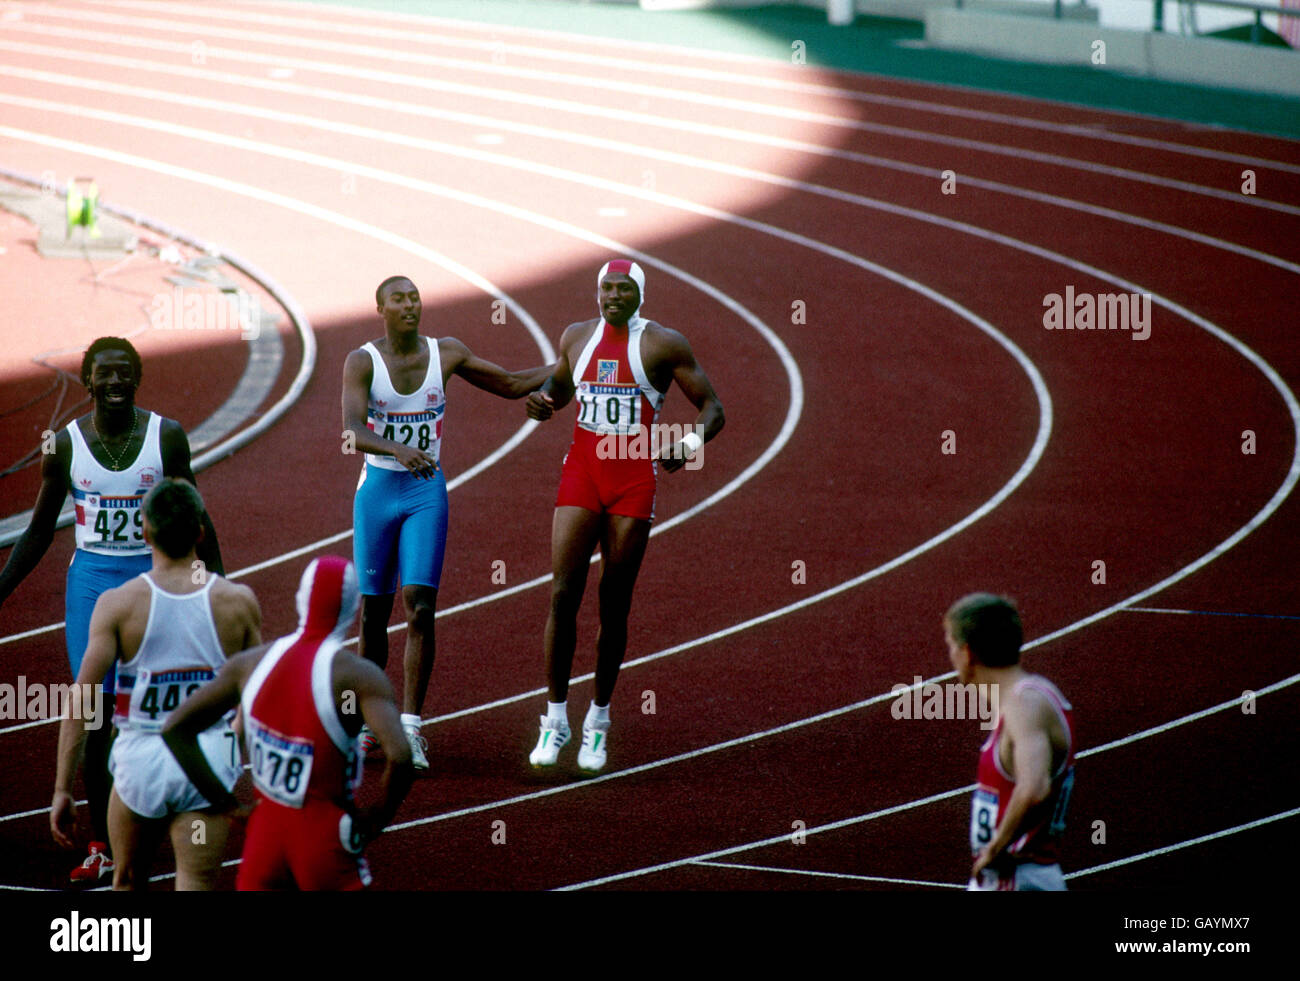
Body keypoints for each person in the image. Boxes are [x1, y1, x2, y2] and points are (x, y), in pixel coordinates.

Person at [2, 336, 223, 882]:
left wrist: (215, 585)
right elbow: (38, 529)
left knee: (155, 703)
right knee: (97, 715)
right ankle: (101, 842)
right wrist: (2, 586)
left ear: (138, 378)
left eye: (125, 372)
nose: (116, 381)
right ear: (88, 382)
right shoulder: (65, 445)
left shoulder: (166, 436)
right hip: (93, 586)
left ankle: (162, 810)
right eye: (106, 373)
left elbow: (197, 515)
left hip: (152, 581)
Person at [341, 275, 551, 771]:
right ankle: (373, 725)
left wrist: (571, 364)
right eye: (399, 299)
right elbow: (350, 433)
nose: (410, 306)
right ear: (380, 308)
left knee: (419, 607)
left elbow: (511, 383)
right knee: (373, 614)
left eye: (415, 298)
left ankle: (410, 728)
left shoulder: (447, 353)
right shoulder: (362, 361)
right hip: (376, 493)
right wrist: (398, 449)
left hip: (424, 493)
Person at [524, 260, 724, 772]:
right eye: (606, 288)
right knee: (562, 593)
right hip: (583, 472)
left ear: (639, 294)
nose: (613, 296)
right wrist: (545, 401)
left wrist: (689, 443)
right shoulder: (576, 336)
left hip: (632, 478)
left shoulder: (662, 344)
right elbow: (562, 387)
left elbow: (713, 409)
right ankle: (554, 719)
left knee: (613, 603)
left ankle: (598, 722)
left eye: (623, 289)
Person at [49, 478, 258, 890]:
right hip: (207, 762)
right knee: (195, 880)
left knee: (127, 879)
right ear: (200, 531)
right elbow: (256, 699)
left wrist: (62, 788)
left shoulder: (119, 605)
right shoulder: (238, 602)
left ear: (144, 531)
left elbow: (82, 700)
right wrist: (230, 753)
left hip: (140, 764)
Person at [164, 555, 415, 891]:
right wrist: (378, 817)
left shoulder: (249, 664)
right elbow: (400, 756)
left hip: (264, 834)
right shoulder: (360, 676)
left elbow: (175, 729)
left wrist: (227, 806)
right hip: (325, 835)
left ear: (299, 600)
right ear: (352, 609)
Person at [943, 593, 1075, 891]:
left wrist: (994, 848)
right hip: (1018, 875)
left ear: (967, 653)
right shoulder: (1032, 696)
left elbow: (1034, 787)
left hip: (1014, 876)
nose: (949, 656)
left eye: (950, 644)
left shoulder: (1024, 704)